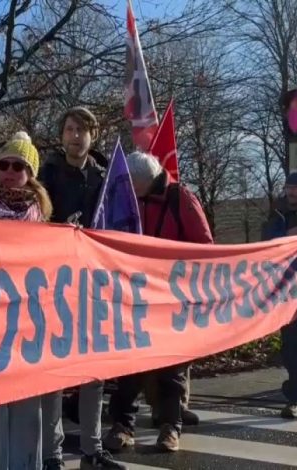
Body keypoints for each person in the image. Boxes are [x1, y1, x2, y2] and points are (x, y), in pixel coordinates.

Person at [103, 151, 213, 454]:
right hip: (132, 298)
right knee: (128, 366)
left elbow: (205, 248)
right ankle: (123, 425)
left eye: (135, 187)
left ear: (149, 182)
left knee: (171, 369)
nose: (131, 193)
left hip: (171, 299)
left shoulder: (182, 200)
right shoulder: (128, 196)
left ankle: (170, 427)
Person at [38, 107, 126, 470]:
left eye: (81, 130)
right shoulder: (47, 174)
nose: (74, 136)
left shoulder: (106, 177)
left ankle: (92, 450)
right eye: (69, 129)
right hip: (55, 283)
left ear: (93, 134)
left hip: (93, 283)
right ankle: (52, 454)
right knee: (56, 372)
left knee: (94, 372)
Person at [0, 131, 51, 470]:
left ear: (31, 173)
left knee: (27, 407)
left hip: (28, 321)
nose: (10, 171)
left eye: (19, 165)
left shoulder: (42, 218)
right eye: (4, 164)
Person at [261, 170, 297, 419]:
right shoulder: (278, 212)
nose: (290, 191)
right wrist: (285, 237)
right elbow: (266, 242)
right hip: (292, 290)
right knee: (293, 346)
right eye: (288, 186)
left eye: (296, 187)